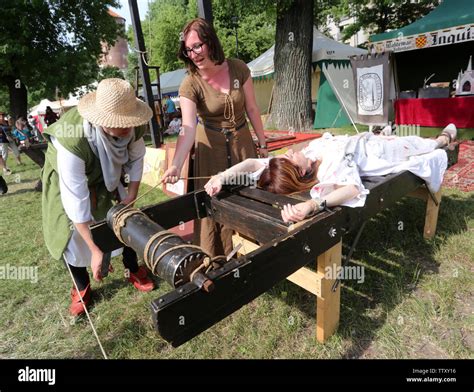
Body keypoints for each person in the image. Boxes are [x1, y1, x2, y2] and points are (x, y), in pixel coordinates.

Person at [42, 78, 155, 317]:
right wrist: (95, 249)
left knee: (124, 220)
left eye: (129, 121)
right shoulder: (71, 140)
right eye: (119, 123)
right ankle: (82, 287)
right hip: (70, 179)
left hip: (108, 175)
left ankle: (132, 268)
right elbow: (76, 199)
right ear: (100, 120)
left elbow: (135, 160)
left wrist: (131, 196)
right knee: (71, 234)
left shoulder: (134, 126)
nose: (127, 127)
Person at [161, 18, 268, 257]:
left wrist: (262, 143)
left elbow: (252, 108)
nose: (194, 53)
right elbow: (187, 127)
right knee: (216, 201)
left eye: (198, 46)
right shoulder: (190, 83)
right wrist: (176, 164)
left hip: (242, 145)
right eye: (188, 49)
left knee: (247, 193)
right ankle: (217, 256)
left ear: (210, 41)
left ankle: (252, 251)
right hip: (211, 150)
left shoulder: (239, 68)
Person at [205, 125, 457, 223]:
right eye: (290, 156)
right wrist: (313, 205)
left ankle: (440, 138)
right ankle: (444, 139)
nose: (291, 150)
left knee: (417, 141)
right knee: (426, 146)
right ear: (300, 170)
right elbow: (354, 189)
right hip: (385, 150)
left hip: (370, 141)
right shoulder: (331, 166)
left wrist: (221, 177)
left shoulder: (304, 161)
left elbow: (250, 163)